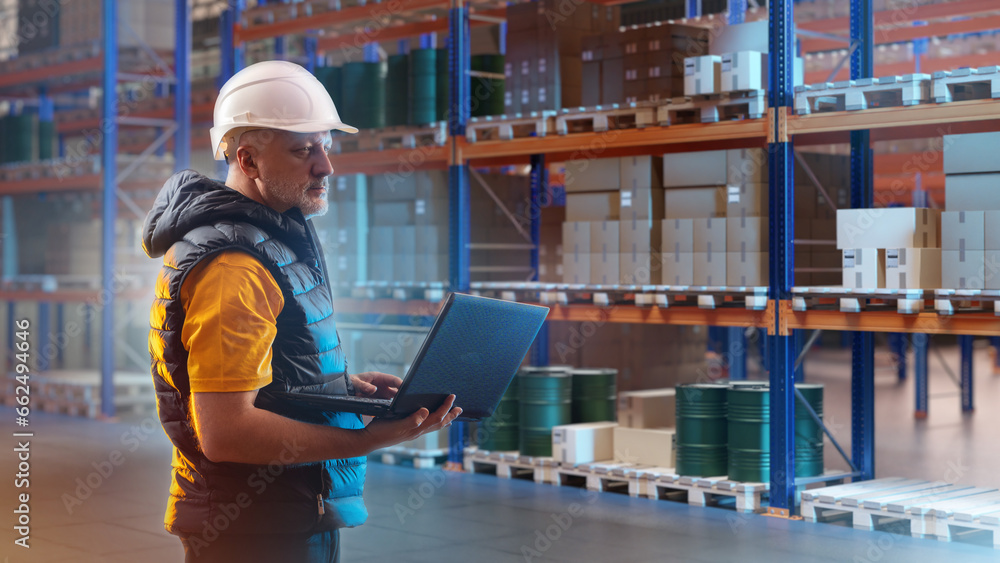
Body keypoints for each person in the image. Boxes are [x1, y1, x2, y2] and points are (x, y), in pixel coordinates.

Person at [142, 60, 462, 563]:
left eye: (325, 147)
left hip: (287, 514)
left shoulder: (272, 234)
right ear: (247, 161)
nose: (325, 166)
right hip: (252, 528)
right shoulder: (233, 266)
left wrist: (336, 388)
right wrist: (367, 439)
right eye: (303, 150)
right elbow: (227, 432)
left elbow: (265, 368)